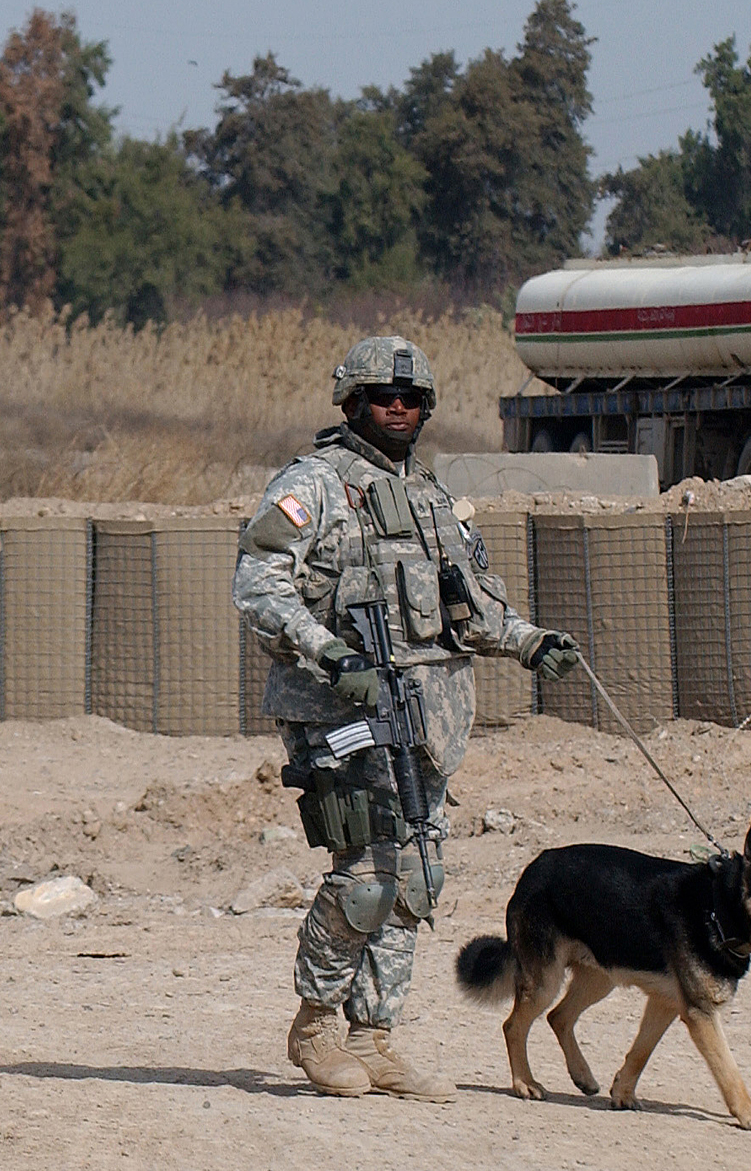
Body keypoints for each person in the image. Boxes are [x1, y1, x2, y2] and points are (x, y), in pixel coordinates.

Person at [232, 335, 582, 1101]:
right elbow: (258, 585)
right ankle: (316, 1027)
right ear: (351, 403)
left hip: (427, 716)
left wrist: (529, 642)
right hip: (339, 709)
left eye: (412, 397)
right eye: (384, 396)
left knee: (416, 879)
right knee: (365, 875)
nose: (399, 407)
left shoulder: (428, 497)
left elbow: (473, 604)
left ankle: (375, 1036)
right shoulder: (313, 485)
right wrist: (328, 653)